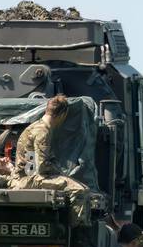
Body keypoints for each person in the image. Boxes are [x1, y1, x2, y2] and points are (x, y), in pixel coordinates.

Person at [9, 95, 89, 224]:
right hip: (27, 179)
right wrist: (59, 172)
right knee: (79, 190)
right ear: (63, 114)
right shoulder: (43, 131)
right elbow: (42, 166)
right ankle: (78, 233)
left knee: (79, 185)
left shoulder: (37, 126)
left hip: (27, 177)